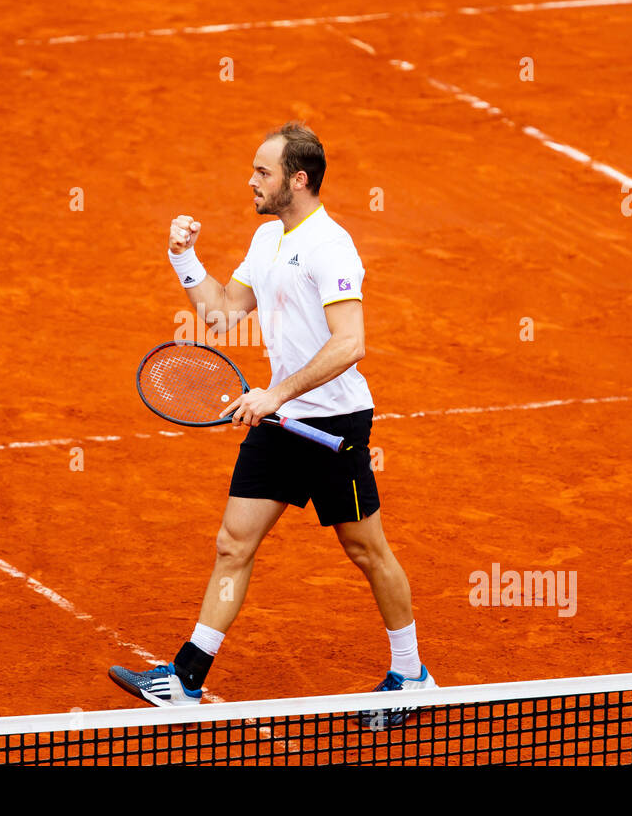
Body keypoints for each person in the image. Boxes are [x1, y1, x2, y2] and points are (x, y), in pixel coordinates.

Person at [109, 122, 433, 725]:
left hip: (335, 424)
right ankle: (186, 678)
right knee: (234, 543)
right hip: (280, 418)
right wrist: (184, 259)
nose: (250, 181)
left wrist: (275, 394)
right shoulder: (266, 239)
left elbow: (350, 344)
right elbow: (222, 315)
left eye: (262, 172)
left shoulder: (332, 247)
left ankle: (412, 673)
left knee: (366, 550)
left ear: (298, 179)